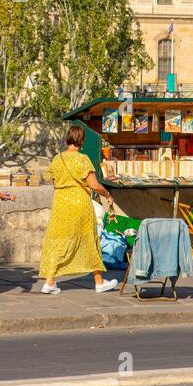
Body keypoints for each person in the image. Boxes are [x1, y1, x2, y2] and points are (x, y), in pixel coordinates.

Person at [38, 124, 119, 294]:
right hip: (79, 204)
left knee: (60, 241)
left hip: (60, 204)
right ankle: (99, 281)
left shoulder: (56, 159)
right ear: (81, 140)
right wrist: (107, 194)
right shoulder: (83, 159)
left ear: (67, 138)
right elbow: (94, 185)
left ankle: (50, 281)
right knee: (89, 239)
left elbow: (54, 182)